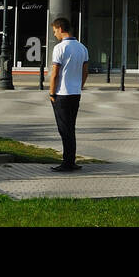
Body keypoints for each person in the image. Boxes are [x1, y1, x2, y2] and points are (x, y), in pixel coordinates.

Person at [48, 17, 89, 172]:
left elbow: (55, 74)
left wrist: (52, 93)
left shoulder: (60, 48)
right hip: (75, 93)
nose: (54, 35)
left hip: (62, 94)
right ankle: (71, 160)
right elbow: (85, 72)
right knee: (71, 127)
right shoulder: (82, 48)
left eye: (54, 31)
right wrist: (79, 86)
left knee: (64, 129)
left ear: (60, 29)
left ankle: (67, 162)